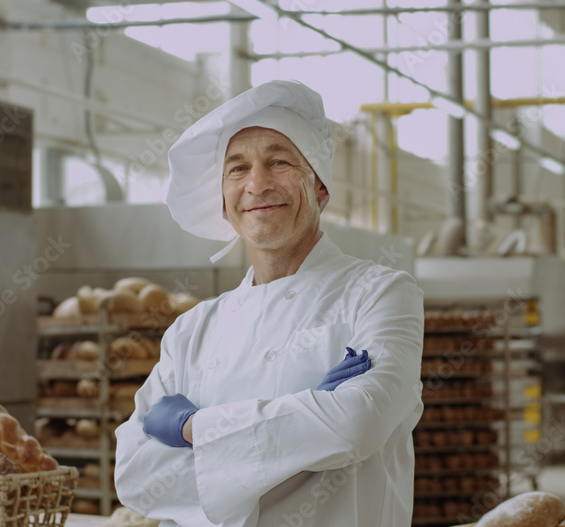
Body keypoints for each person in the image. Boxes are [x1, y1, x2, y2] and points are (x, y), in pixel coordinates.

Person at [114, 80, 424, 527]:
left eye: (279, 162)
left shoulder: (380, 294)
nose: (257, 184)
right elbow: (135, 477)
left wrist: (192, 429)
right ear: (223, 202)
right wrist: (310, 419)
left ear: (319, 185)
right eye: (237, 169)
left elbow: (360, 423)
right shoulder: (193, 329)